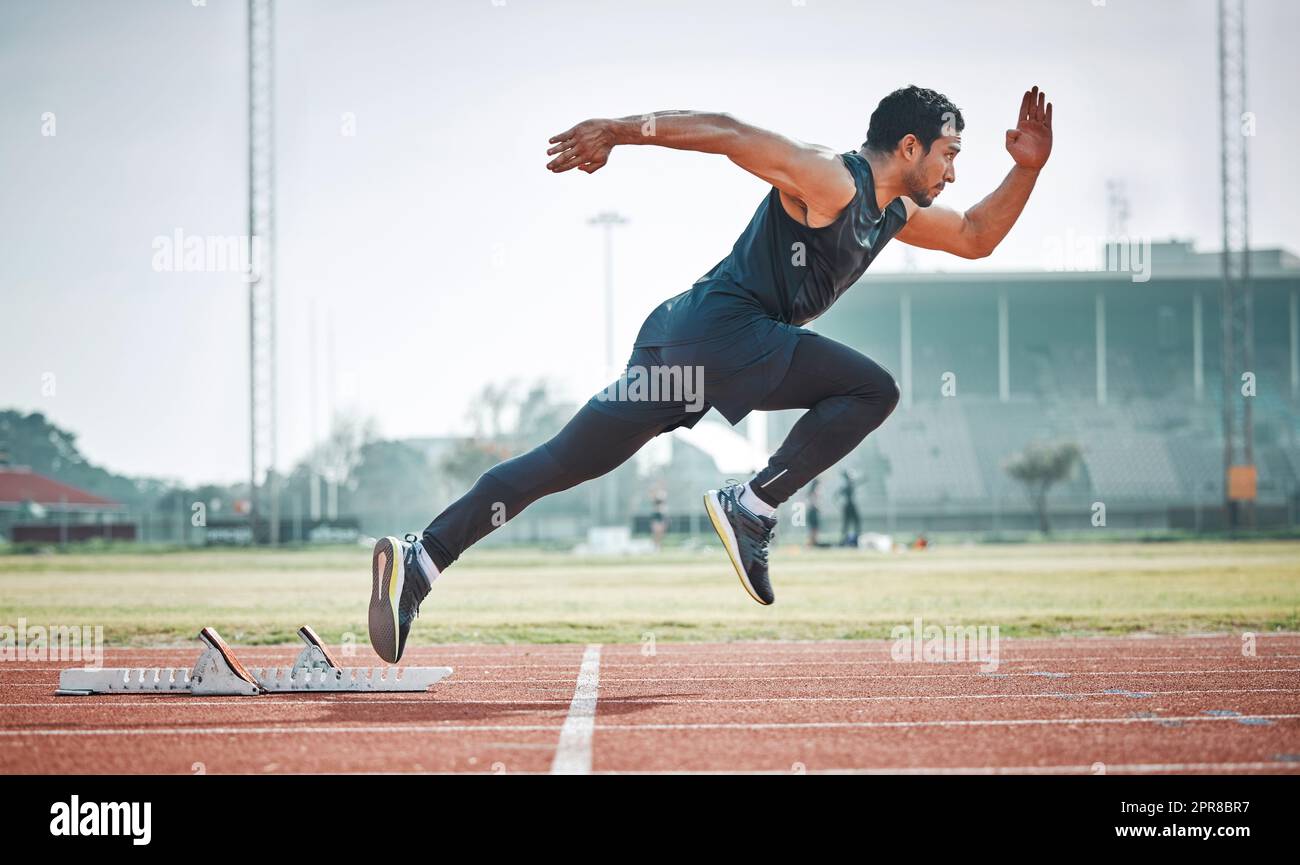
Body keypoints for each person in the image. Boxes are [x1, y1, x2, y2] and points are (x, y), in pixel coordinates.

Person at [368, 85, 1054, 662]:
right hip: (727, 333)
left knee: (560, 462)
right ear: (909, 146)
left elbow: (973, 237)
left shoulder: (894, 211)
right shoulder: (832, 179)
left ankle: (420, 560)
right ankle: (750, 506)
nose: (954, 172)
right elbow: (728, 132)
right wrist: (617, 130)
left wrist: (1027, 169)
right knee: (873, 388)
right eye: (950, 153)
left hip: (681, 341)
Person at [838, 468, 861, 547]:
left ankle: (855, 540)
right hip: (849, 506)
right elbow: (836, 496)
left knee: (853, 523)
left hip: (850, 506)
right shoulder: (846, 486)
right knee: (847, 524)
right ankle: (844, 541)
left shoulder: (849, 484)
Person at [649, 484, 668, 552]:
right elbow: (653, 497)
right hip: (656, 515)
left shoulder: (663, 494)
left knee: (661, 533)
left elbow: (662, 500)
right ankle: (655, 546)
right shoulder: (655, 496)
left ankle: (659, 546)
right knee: (655, 532)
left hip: (661, 515)